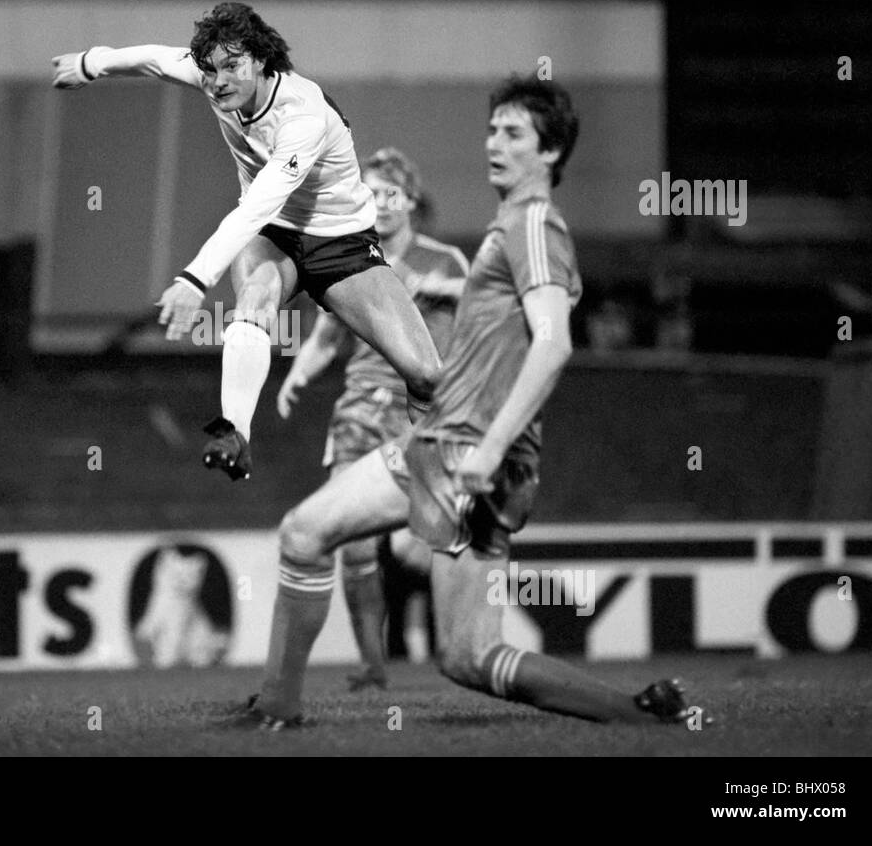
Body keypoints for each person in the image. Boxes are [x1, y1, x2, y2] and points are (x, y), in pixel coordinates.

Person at [243, 74, 700, 728]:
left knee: (305, 532)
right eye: (492, 129)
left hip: (461, 450)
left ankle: (278, 709)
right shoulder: (514, 225)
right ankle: (640, 711)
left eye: (513, 133)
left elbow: (554, 343)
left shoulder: (534, 224)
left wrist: (486, 448)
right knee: (469, 655)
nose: (494, 142)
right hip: (478, 457)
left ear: (550, 153)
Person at [51, 3, 441, 480]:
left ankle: (433, 478)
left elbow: (257, 202)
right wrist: (91, 64)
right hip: (275, 234)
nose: (219, 82)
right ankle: (235, 433)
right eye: (211, 70)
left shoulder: (302, 117)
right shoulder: (215, 78)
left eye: (232, 67)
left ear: (261, 60)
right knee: (254, 297)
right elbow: (153, 58)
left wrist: (195, 279)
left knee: (426, 376)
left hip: (342, 241)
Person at [276, 147, 466, 690]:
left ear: (410, 200)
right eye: (370, 192)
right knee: (350, 542)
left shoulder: (444, 259)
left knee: (424, 541)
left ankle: (465, 649)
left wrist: (442, 290)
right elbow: (325, 337)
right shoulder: (350, 256)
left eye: (390, 193)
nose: (380, 204)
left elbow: (484, 305)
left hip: (421, 413)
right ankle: (372, 666)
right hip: (359, 410)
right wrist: (298, 376)